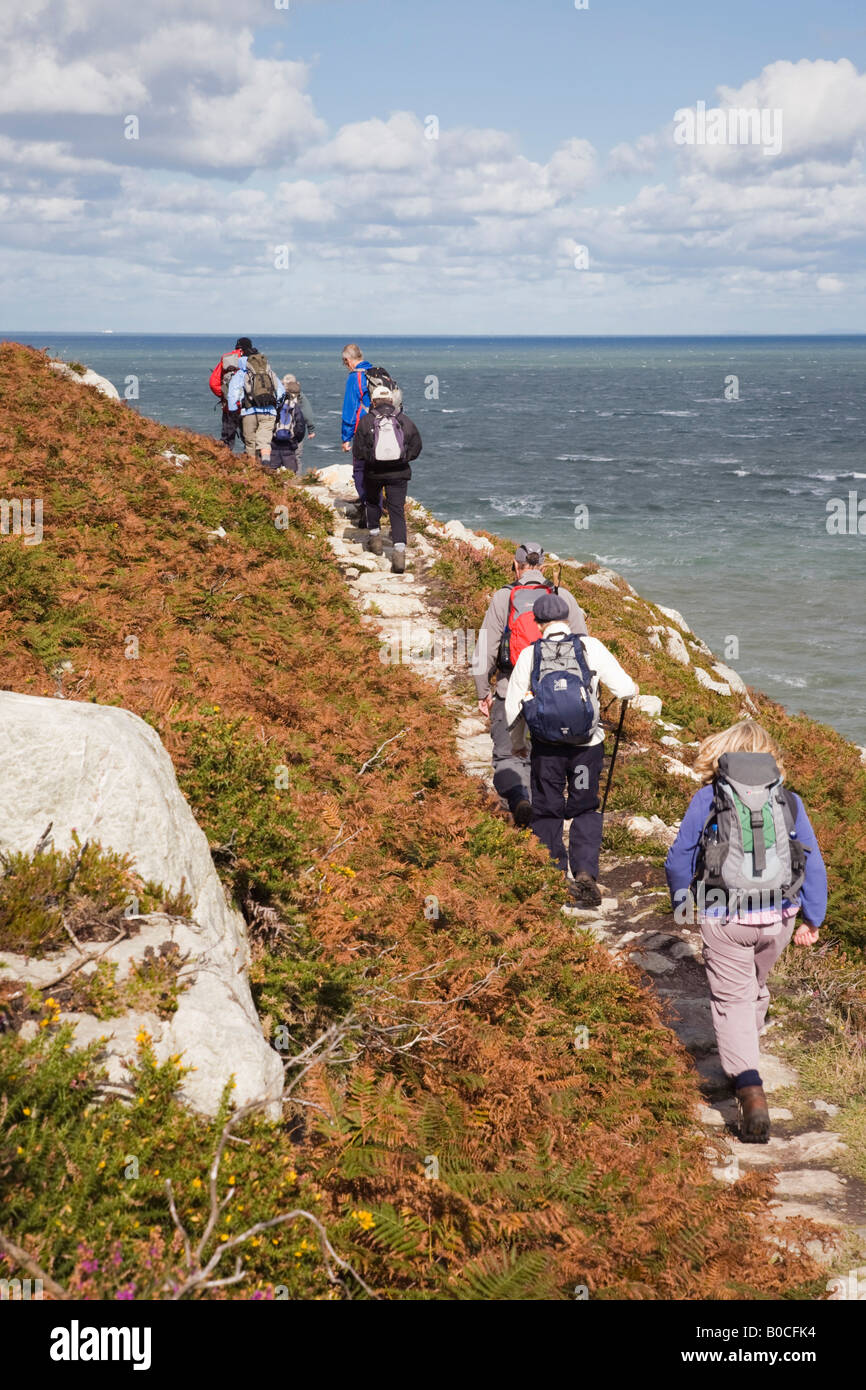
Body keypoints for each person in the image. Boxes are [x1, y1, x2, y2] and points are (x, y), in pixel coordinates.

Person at [665, 720, 827, 1142]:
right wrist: (813, 917)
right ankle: (743, 1055)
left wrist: (682, 901)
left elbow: (679, 856)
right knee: (754, 986)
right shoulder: (789, 801)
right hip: (778, 920)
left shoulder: (708, 798)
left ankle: (748, 1085)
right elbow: (812, 862)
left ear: (722, 756)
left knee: (732, 998)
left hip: (726, 917)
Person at [504, 593, 638, 907]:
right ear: (568, 619)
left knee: (547, 808)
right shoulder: (590, 647)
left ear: (537, 624)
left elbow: (514, 708)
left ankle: (553, 874)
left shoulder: (530, 654)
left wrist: (518, 744)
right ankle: (586, 874)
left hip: (548, 749)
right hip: (586, 748)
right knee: (584, 807)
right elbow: (626, 689)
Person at [474, 543, 588, 828]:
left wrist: (482, 691)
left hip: (509, 687)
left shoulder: (504, 597)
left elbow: (484, 650)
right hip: (554, 695)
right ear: (544, 568)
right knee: (545, 756)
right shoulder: (563, 597)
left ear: (516, 566)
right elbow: (583, 647)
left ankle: (516, 799)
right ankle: (543, 818)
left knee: (508, 755)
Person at [351, 385, 422, 573]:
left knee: (373, 503)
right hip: (399, 473)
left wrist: (372, 459)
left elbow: (357, 451)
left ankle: (375, 540)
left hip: (374, 472)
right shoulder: (404, 420)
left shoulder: (366, 421)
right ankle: (399, 554)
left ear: (373, 401)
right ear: (391, 400)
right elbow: (417, 446)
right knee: (397, 510)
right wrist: (404, 458)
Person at [226, 344, 285, 470]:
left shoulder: (242, 372)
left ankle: (252, 471)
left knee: (250, 442)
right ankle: (265, 464)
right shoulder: (269, 371)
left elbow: (232, 394)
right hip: (269, 411)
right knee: (264, 441)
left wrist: (233, 413)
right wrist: (276, 406)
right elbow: (281, 392)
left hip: (248, 411)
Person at [340, 343, 373, 521]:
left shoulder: (355, 377)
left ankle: (368, 508)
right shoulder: (376, 373)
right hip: (382, 428)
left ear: (348, 360)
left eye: (344, 362)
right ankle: (377, 505)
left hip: (363, 431)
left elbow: (349, 409)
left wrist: (346, 437)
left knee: (359, 469)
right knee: (375, 469)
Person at [208, 337, 250, 450]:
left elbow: (213, 383)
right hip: (248, 406)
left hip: (229, 406)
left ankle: (224, 462)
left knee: (227, 438)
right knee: (250, 439)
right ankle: (252, 464)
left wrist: (224, 396)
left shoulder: (227, 358)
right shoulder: (253, 360)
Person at [270, 378, 308, 475]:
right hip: (289, 444)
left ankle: (271, 487)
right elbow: (300, 426)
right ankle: (292, 487)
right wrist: (295, 440)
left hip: (274, 443)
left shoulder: (274, 406)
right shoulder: (295, 407)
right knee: (291, 471)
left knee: (271, 470)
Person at [281, 375, 315, 469]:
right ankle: (295, 478)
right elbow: (307, 414)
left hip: (279, 430)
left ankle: (279, 479)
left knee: (279, 455)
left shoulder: (279, 394)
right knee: (296, 456)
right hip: (296, 431)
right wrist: (311, 430)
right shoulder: (300, 396)